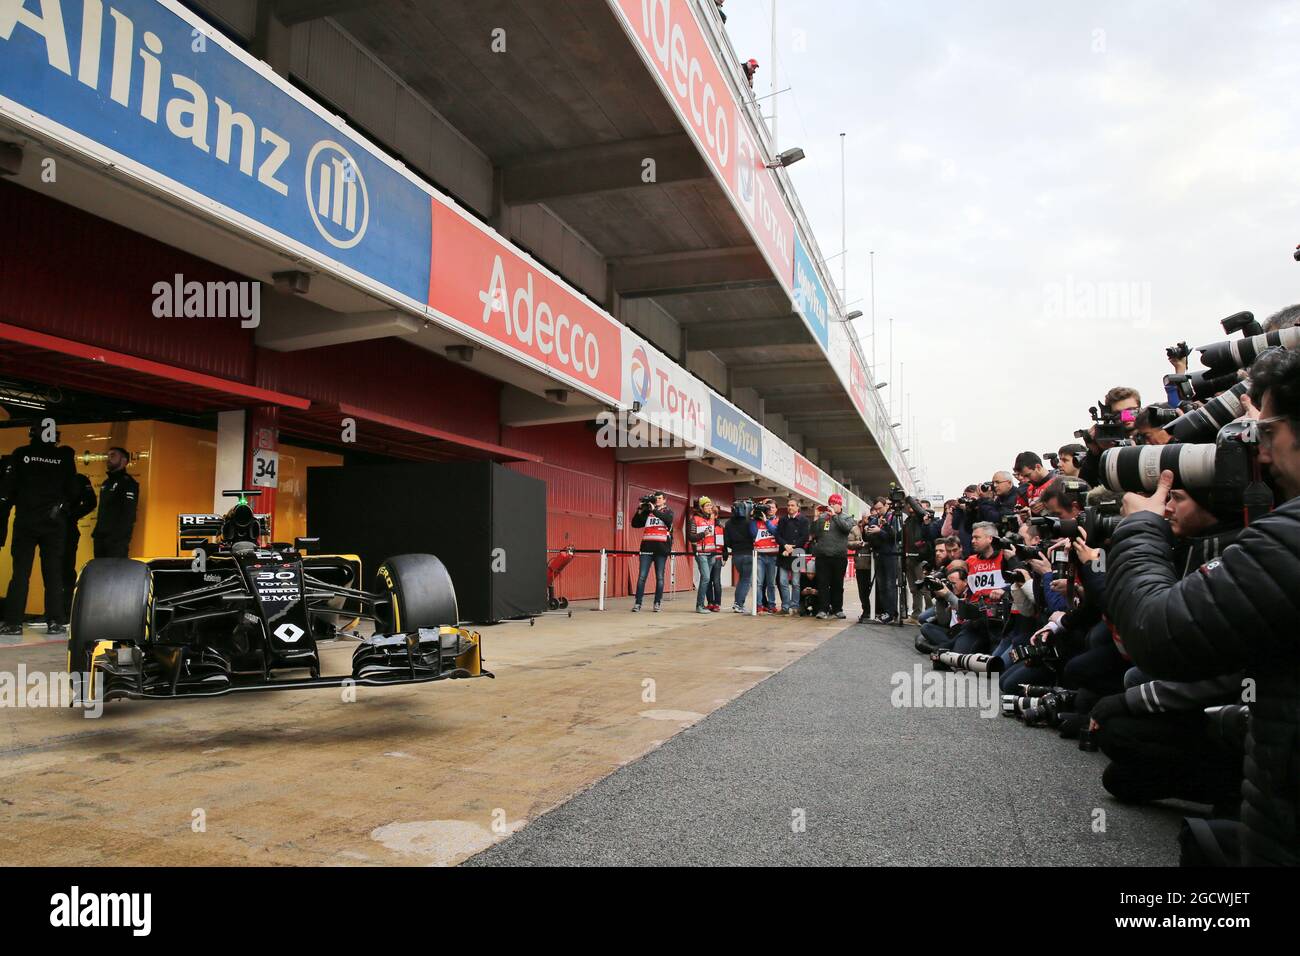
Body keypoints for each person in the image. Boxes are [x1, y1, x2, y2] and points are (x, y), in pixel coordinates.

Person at [1106, 346, 1300, 866]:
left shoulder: (1288, 537)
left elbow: (1158, 631)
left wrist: (1139, 527)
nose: (1260, 455)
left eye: (1267, 432)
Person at [1, 424, 79, 636]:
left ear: (32, 434)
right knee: (53, 573)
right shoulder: (63, 458)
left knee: (20, 573)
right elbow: (73, 490)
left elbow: (7, 489)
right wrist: (61, 507)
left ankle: (13, 623)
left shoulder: (21, 454)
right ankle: (55, 622)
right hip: (54, 523)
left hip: (26, 521)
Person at [58, 472, 97, 621]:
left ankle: (67, 610)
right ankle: (54, 611)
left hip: (68, 530)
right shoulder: (53, 476)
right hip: (51, 530)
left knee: (66, 569)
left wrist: (71, 515)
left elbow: (91, 502)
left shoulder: (79, 479)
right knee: (53, 570)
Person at [810, 493, 854, 620]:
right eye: (830, 504)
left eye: (834, 504)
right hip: (822, 556)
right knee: (822, 584)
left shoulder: (847, 517)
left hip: (839, 556)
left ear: (840, 505)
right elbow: (814, 533)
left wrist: (834, 516)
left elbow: (846, 529)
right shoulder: (823, 517)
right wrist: (816, 518)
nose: (831, 506)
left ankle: (837, 609)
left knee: (837, 584)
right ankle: (823, 609)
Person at [630, 491, 673, 612]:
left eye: (659, 498)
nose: (657, 500)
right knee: (642, 577)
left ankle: (657, 603)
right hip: (646, 549)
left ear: (664, 500)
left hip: (661, 550)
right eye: (656, 498)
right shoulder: (648, 512)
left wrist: (654, 510)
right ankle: (638, 603)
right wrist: (640, 510)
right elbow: (635, 524)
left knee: (660, 578)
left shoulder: (668, 511)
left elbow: (668, 520)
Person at [91, 446, 138, 558]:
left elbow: (129, 513)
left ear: (124, 460)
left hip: (116, 541)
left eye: (113, 455)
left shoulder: (128, 483)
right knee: (99, 568)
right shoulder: (106, 483)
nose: (109, 458)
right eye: (108, 456)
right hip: (100, 537)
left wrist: (119, 537)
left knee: (115, 568)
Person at [864, 498, 901, 623]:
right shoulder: (874, 519)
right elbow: (869, 538)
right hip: (878, 554)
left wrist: (880, 530)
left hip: (890, 555)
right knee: (881, 586)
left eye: (880, 508)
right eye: (876, 509)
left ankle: (892, 612)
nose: (878, 511)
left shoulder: (893, 518)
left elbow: (894, 537)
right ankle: (885, 611)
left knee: (890, 585)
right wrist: (867, 530)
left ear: (886, 505)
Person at [776, 498, 809, 617]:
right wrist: (785, 545)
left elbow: (804, 537)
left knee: (796, 582)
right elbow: (778, 535)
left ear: (798, 507)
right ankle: (785, 607)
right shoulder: (782, 520)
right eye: (788, 505)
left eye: (792, 505)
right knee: (783, 582)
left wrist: (792, 548)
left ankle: (795, 607)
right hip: (783, 553)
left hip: (798, 552)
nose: (790, 507)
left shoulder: (804, 520)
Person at [686, 496, 717, 614]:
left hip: (712, 553)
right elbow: (691, 537)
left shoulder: (712, 519)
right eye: (707, 505)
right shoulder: (694, 519)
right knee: (706, 578)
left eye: (710, 505)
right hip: (701, 553)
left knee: (706, 579)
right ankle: (699, 605)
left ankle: (703, 605)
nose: (710, 507)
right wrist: (703, 534)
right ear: (701, 507)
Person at [724, 502, 756, 613]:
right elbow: (754, 535)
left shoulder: (728, 523)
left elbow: (727, 542)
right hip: (748, 554)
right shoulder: (749, 522)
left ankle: (738, 603)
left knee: (742, 579)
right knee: (746, 580)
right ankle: (738, 604)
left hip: (736, 555)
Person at [752, 499, 781, 613]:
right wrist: (754, 516)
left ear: (776, 509)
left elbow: (776, 533)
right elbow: (752, 533)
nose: (770, 509)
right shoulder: (757, 521)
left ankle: (772, 605)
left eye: (772, 507)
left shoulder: (778, 521)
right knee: (759, 583)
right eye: (768, 507)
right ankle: (759, 605)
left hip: (773, 556)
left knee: (771, 583)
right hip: (760, 556)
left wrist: (766, 521)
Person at [848, 514, 874, 623]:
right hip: (861, 564)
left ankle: (876, 610)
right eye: (866, 518)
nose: (868, 520)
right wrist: (859, 543)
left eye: (869, 517)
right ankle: (866, 610)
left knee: (874, 589)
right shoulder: (855, 529)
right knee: (862, 589)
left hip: (874, 564)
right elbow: (849, 543)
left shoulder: (875, 527)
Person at [707, 504, 727, 611]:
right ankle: (710, 602)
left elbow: (725, 544)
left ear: (716, 515)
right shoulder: (704, 526)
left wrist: (725, 557)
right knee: (707, 580)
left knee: (716, 581)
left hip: (718, 557)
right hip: (706, 556)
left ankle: (717, 604)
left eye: (711, 514)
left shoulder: (721, 528)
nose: (709, 515)